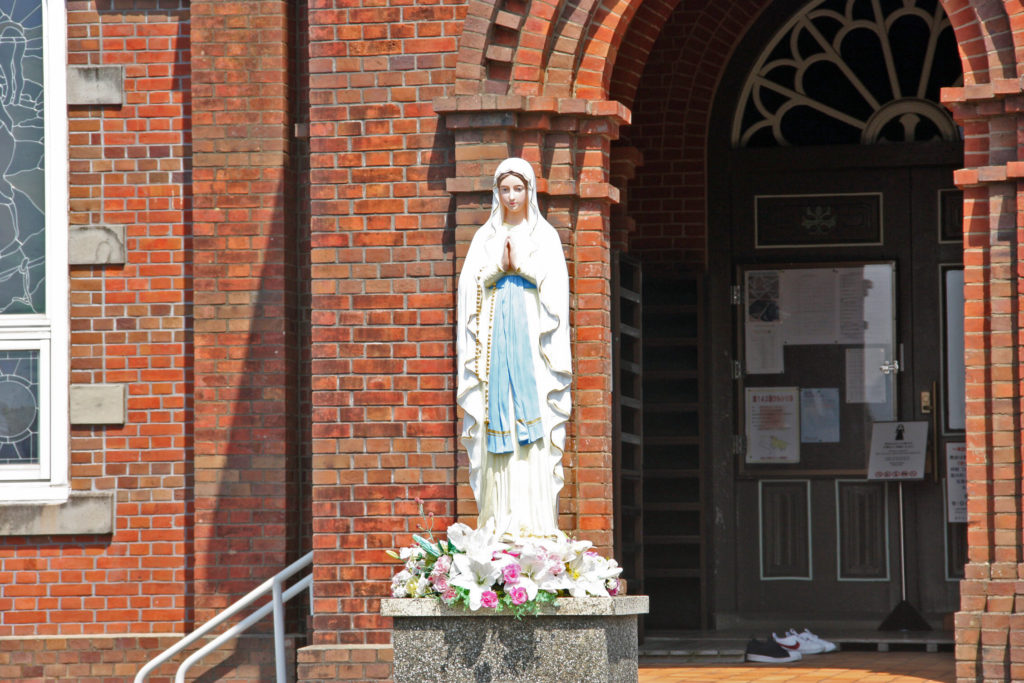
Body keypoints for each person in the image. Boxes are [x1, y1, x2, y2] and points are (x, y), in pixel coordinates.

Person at [456, 157, 572, 539]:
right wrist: (497, 269)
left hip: (533, 351)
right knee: (496, 419)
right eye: (504, 189)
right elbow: (468, 294)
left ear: (529, 191)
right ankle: (497, 521)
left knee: (534, 421)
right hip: (493, 351)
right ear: (497, 192)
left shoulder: (545, 238)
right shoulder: (485, 239)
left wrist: (521, 268)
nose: (511, 196)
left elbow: (556, 291)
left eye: (518, 188)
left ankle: (537, 523)